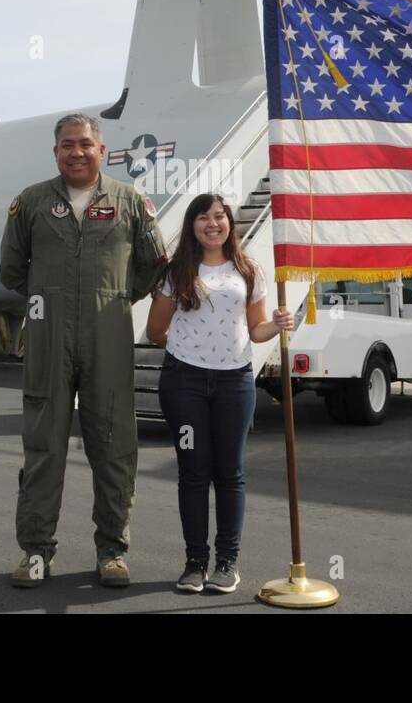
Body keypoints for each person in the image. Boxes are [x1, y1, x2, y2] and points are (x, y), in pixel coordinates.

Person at [0, 113, 166, 588]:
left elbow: (155, 265)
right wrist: (49, 299)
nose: (76, 151)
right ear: (56, 152)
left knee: (114, 447)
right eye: (67, 144)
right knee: (42, 446)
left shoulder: (130, 202)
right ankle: (36, 552)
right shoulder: (30, 202)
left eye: (85, 144)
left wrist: (112, 300)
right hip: (48, 338)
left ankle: (112, 551)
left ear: (102, 150)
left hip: (108, 337)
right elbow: (12, 270)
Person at [145, 193, 292, 593]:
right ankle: (195, 563)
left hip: (235, 383)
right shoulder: (177, 272)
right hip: (184, 384)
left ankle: (227, 563)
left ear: (230, 223)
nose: (213, 223)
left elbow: (256, 328)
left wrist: (277, 324)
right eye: (204, 217)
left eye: (220, 216)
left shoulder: (249, 270)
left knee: (230, 473)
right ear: (192, 225)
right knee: (194, 473)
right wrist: (191, 351)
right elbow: (156, 330)